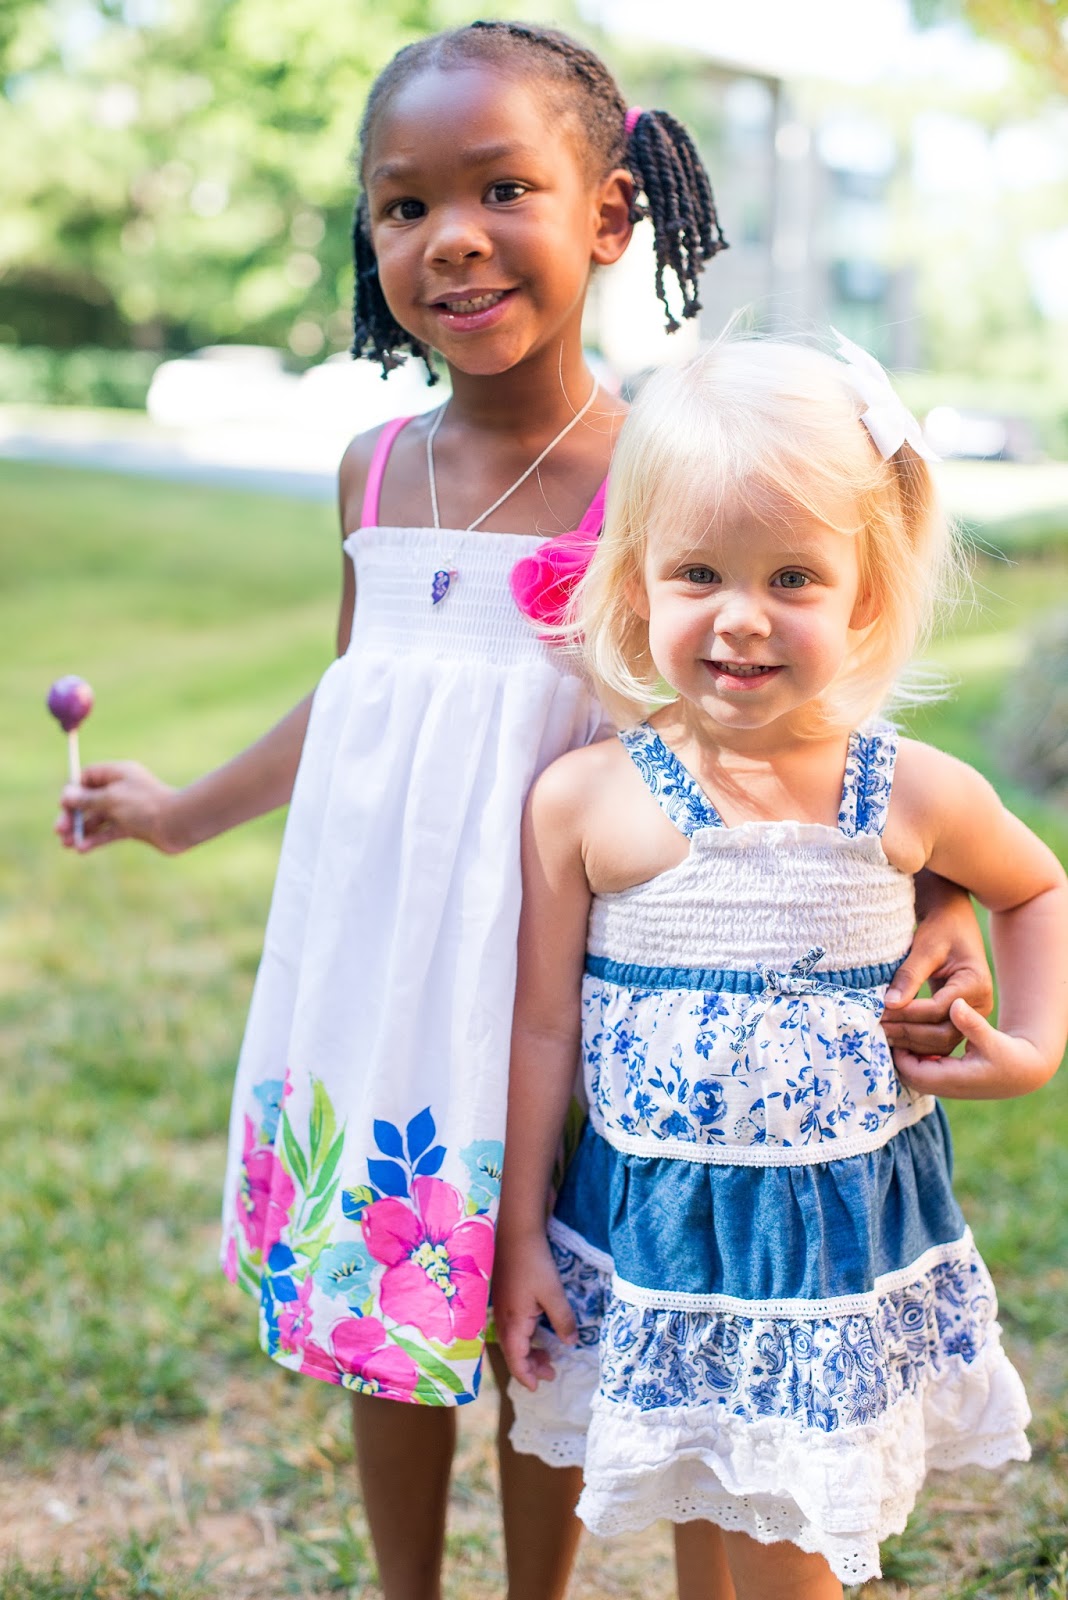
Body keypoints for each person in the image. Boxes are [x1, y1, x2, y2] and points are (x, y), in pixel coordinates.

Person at [54, 24, 991, 1598]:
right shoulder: (368, 470)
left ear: (612, 214)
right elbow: (354, 699)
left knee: (542, 1311)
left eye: (505, 188)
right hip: (381, 967)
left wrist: (944, 896)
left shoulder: (662, 468)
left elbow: (803, 721)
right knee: (389, 1295)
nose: (451, 238)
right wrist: (182, 813)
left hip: (577, 975)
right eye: (404, 206)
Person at [495, 333, 1068, 1600]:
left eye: (795, 576)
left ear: (864, 593)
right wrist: (523, 1228)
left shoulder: (906, 790)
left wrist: (1029, 1047)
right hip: (658, 1237)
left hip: (820, 1250)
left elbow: (1035, 884)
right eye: (699, 570)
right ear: (636, 580)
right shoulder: (585, 803)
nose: (742, 616)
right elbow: (543, 1034)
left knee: (793, 1545)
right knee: (710, 1506)